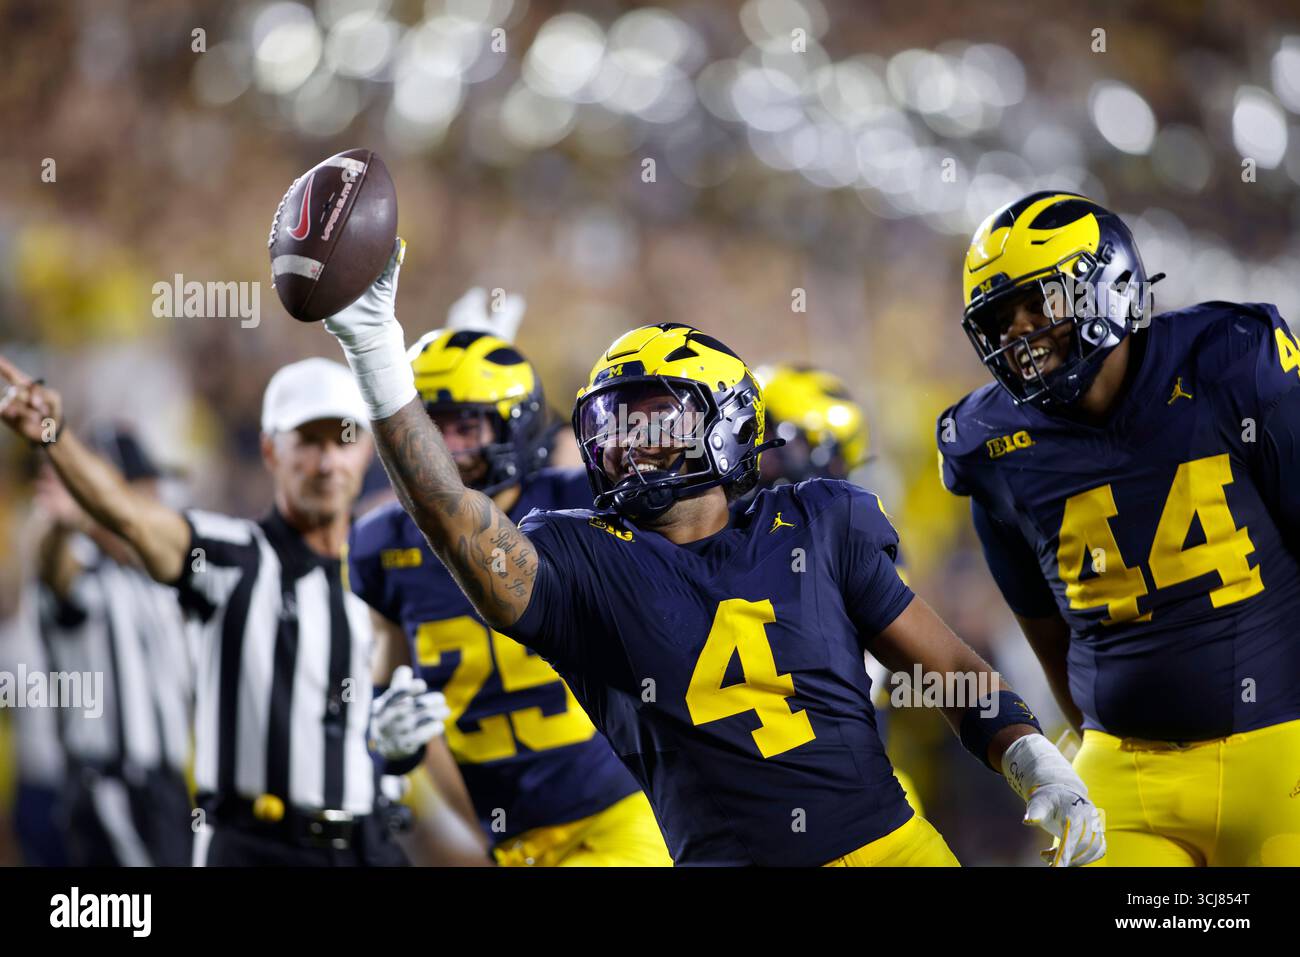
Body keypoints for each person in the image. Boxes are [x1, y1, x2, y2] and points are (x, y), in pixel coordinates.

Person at [319, 240, 1104, 866]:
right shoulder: (585, 557)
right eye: (614, 425)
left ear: (725, 425)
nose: (631, 444)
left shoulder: (820, 518)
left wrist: (1028, 752)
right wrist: (380, 361)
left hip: (891, 850)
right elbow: (453, 517)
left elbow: (941, 667)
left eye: (657, 421)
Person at [937, 190, 1300, 866]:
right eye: (1000, 318)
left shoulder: (1231, 359)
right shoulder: (991, 443)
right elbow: (1044, 627)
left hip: (1281, 747)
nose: (1019, 331)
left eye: (1039, 302)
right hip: (1127, 769)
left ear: (1112, 286)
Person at [0, 354, 447, 866]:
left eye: (343, 440)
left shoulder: (379, 574)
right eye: (308, 442)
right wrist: (54, 435)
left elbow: (375, 728)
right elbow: (128, 518)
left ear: (368, 450)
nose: (327, 463)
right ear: (270, 450)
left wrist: (393, 750)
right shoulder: (229, 556)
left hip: (365, 845)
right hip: (255, 849)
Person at [350, 328, 670, 866]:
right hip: (506, 840)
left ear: (515, 426)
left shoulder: (578, 504)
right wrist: (389, 744)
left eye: (465, 426)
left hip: (619, 812)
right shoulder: (380, 546)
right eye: (429, 427)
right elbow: (391, 688)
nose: (442, 448)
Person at [28, 429, 194, 866]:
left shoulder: (149, 576)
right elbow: (56, 574)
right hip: (114, 785)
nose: (156, 500)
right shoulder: (82, 567)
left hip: (165, 784)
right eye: (143, 488)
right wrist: (69, 524)